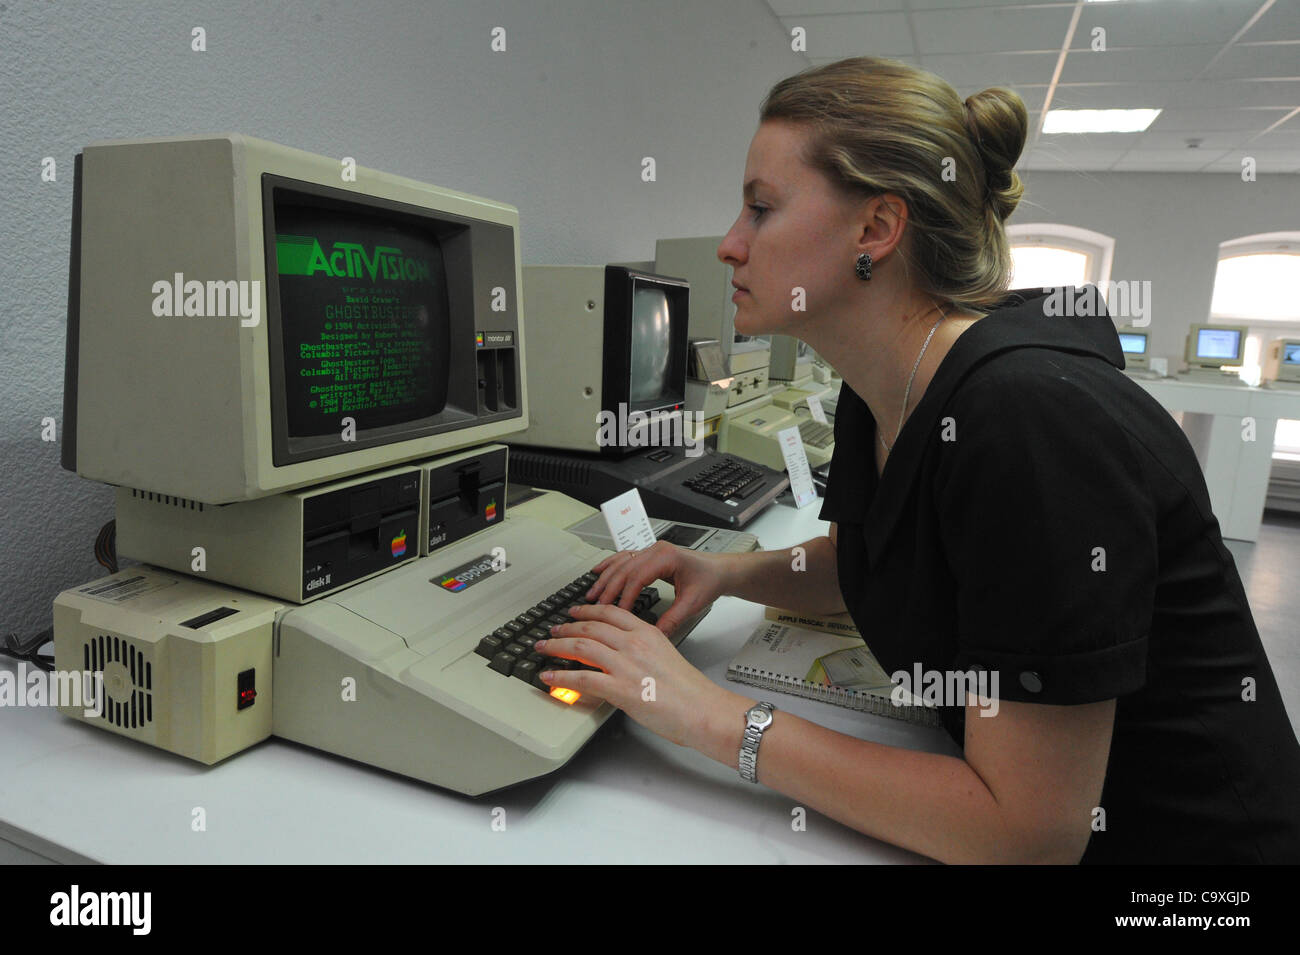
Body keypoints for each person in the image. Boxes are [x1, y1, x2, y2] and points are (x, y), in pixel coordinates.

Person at [533, 56, 1300, 864]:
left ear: (876, 229)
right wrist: (725, 574)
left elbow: (1027, 834)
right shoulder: (888, 387)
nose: (729, 244)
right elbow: (875, 560)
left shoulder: (1027, 418)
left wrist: (710, 717)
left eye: (761, 208)